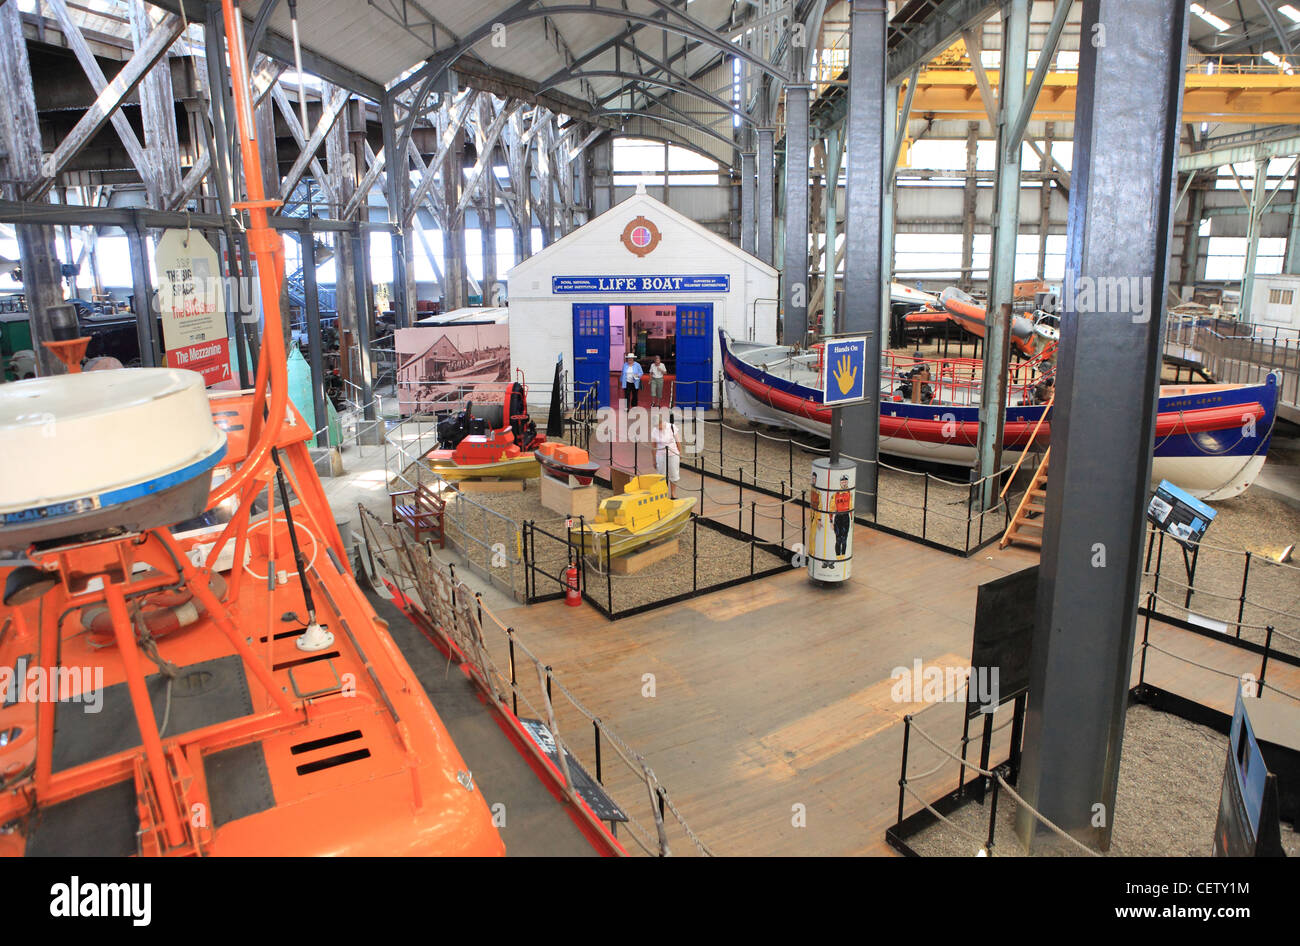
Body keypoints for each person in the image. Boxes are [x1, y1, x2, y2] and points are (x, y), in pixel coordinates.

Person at [652, 411, 682, 499]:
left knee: (674, 473)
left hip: (673, 453)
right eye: (657, 426)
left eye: (659, 426)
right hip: (661, 455)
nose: (658, 428)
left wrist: (679, 454)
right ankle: (663, 494)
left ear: (662, 422)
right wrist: (654, 459)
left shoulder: (671, 427)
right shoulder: (655, 430)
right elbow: (653, 446)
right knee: (661, 475)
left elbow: (678, 442)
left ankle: (673, 494)